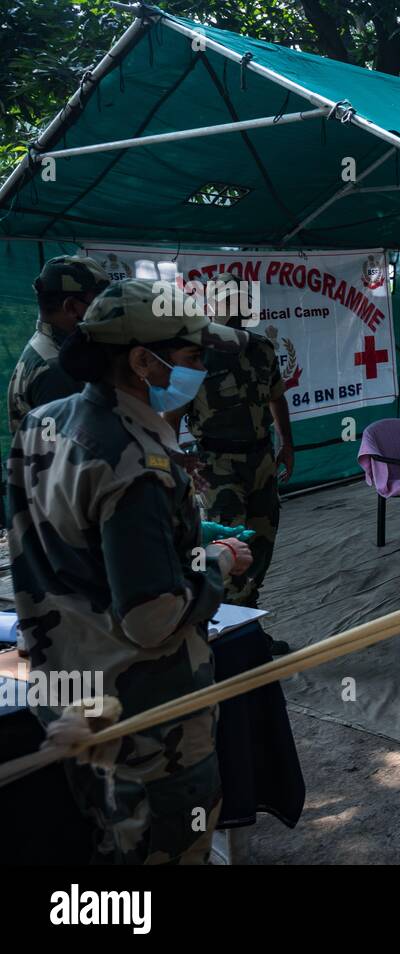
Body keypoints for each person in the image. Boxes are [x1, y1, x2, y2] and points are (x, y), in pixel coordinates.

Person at [6, 278, 251, 864]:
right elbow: (150, 618)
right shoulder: (138, 460)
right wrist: (214, 562)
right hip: (147, 719)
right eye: (192, 358)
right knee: (163, 850)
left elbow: (61, 539)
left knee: (113, 844)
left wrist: (178, 533)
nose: (200, 373)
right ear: (143, 361)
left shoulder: (45, 422)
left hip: (71, 697)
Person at [166, 273, 293, 613]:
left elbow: (277, 399)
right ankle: (224, 634)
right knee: (227, 546)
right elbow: (171, 416)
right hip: (217, 464)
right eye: (227, 298)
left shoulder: (261, 349)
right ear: (211, 304)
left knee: (261, 543)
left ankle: (248, 624)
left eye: (240, 298)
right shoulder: (197, 354)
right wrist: (178, 465)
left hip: (261, 460)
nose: (235, 305)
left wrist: (287, 446)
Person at [6, 255, 111, 437]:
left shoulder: (49, 347)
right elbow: (64, 454)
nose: (104, 311)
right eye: (98, 303)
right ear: (70, 307)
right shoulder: (57, 368)